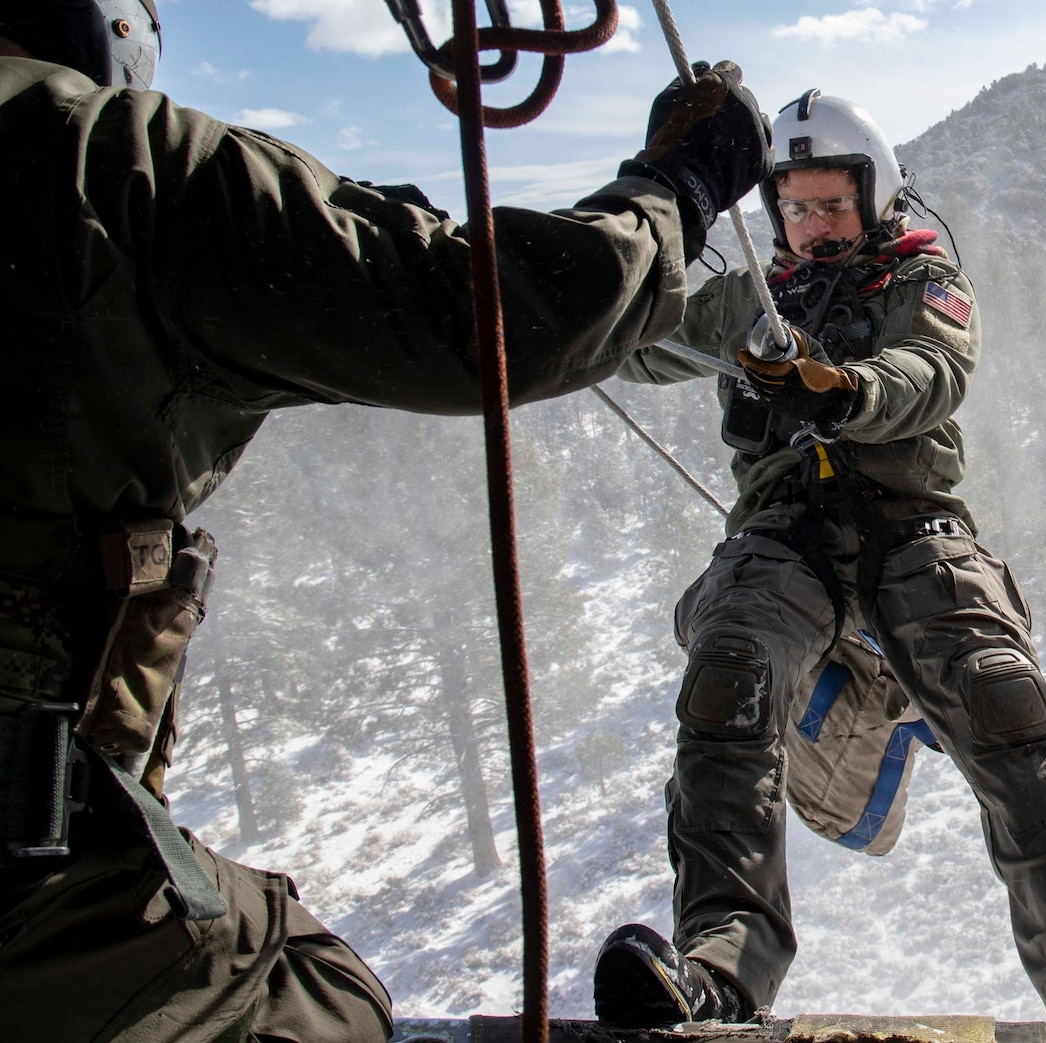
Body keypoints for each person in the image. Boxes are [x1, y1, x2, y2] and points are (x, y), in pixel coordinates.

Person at [0, 0, 772, 1038]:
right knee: (312, 994)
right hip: (25, 885)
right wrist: (675, 190)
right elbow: (478, 308)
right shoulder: (100, 160)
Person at [592, 89, 1046, 1028]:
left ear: (874, 195)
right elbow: (636, 338)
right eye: (794, 207)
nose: (812, 226)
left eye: (831, 205)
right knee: (731, 674)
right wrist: (598, 289)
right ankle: (719, 968)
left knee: (1000, 693)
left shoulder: (924, 281)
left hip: (910, 525)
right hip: (783, 534)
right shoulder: (754, 303)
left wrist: (842, 387)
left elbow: (932, 369)